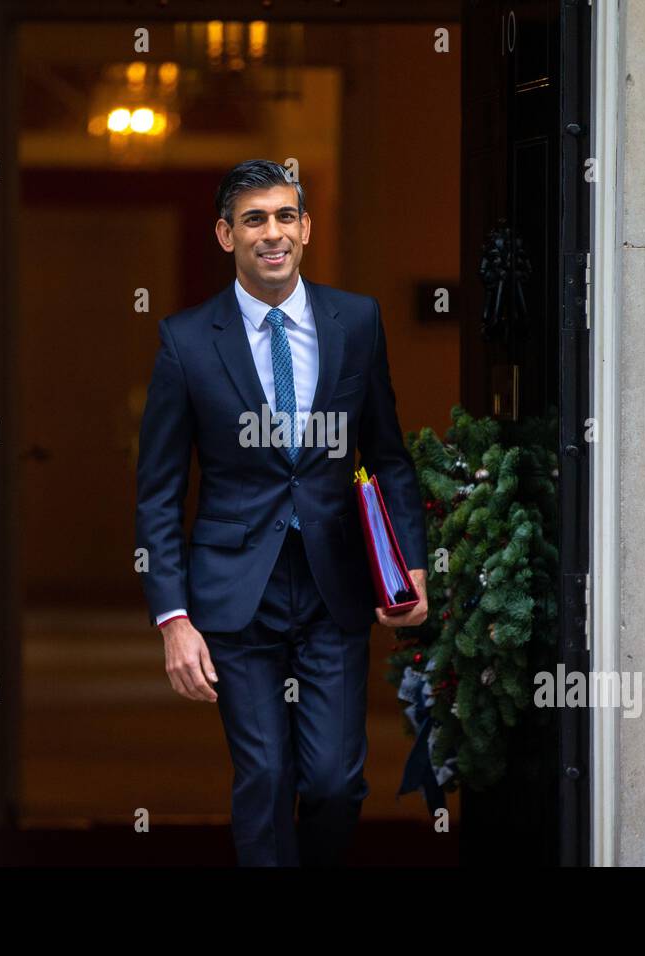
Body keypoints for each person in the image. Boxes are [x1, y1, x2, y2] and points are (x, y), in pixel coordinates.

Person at [134, 159, 428, 866]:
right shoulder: (185, 339)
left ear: (307, 228)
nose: (273, 233)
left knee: (334, 782)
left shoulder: (356, 321)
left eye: (285, 216)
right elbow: (158, 490)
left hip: (335, 587)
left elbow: (387, 455)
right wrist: (173, 618)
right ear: (224, 234)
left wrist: (413, 564)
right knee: (265, 777)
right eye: (254, 219)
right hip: (237, 595)